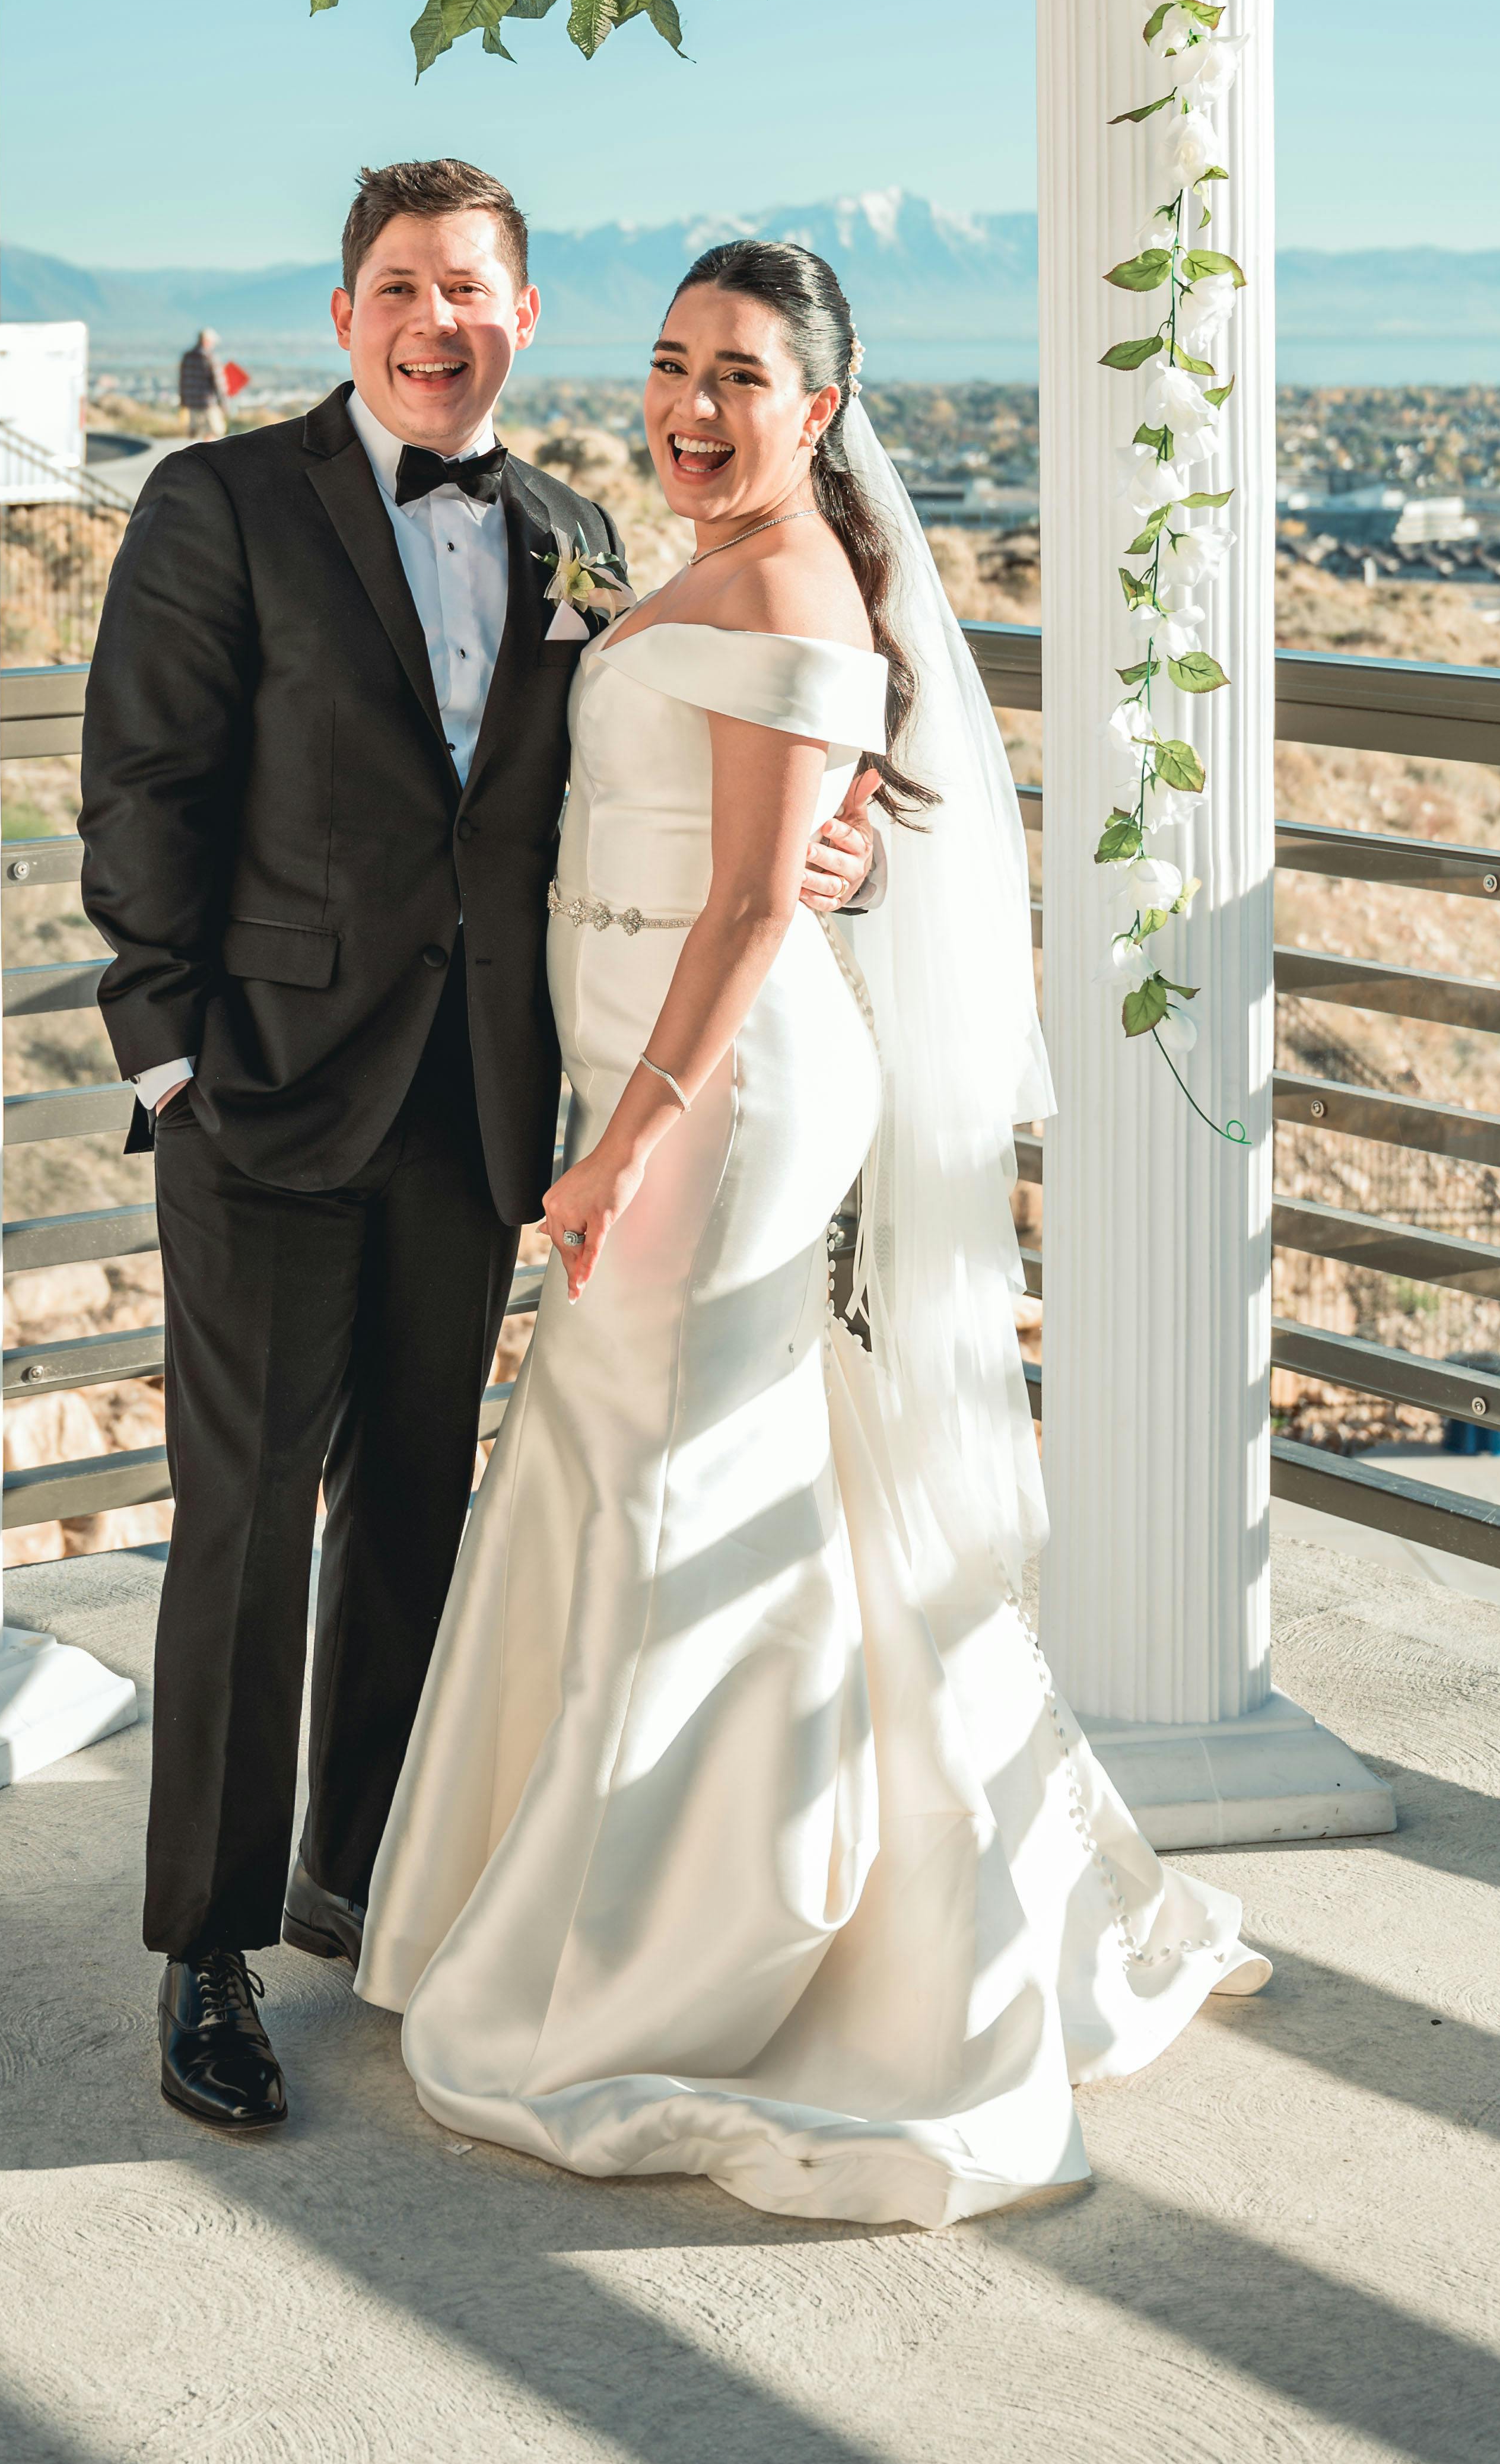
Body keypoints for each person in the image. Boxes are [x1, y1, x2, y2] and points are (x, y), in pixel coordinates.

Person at [357, 237, 1268, 2228]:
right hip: (660, 1075)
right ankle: (625, 1889)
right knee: (663, 1464)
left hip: (723, 1097)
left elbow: (761, 901)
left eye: (742, 376)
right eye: (673, 362)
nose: (692, 405)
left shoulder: (787, 583)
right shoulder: (702, 564)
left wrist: (624, 1143)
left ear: (823, 408)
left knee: (672, 1481)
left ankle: (671, 1950)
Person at [78, 163, 878, 2137]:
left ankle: (366, 1870)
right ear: (344, 311)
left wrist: (831, 849)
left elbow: (652, 789)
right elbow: (143, 786)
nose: (433, 322)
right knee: (245, 1523)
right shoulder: (216, 502)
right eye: (398, 286)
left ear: (524, 316)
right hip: (261, 1094)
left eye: (469, 290)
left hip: (481, 1114)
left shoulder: (577, 535)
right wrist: (169, 1064)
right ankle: (209, 1945)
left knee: (417, 1509)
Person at [177, 327, 228, 440]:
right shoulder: (210, 358)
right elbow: (218, 383)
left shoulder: (187, 357)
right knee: (213, 432)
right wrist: (224, 403)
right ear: (207, 341)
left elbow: (182, 380)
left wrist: (183, 401)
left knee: (195, 434)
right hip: (208, 403)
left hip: (191, 403)